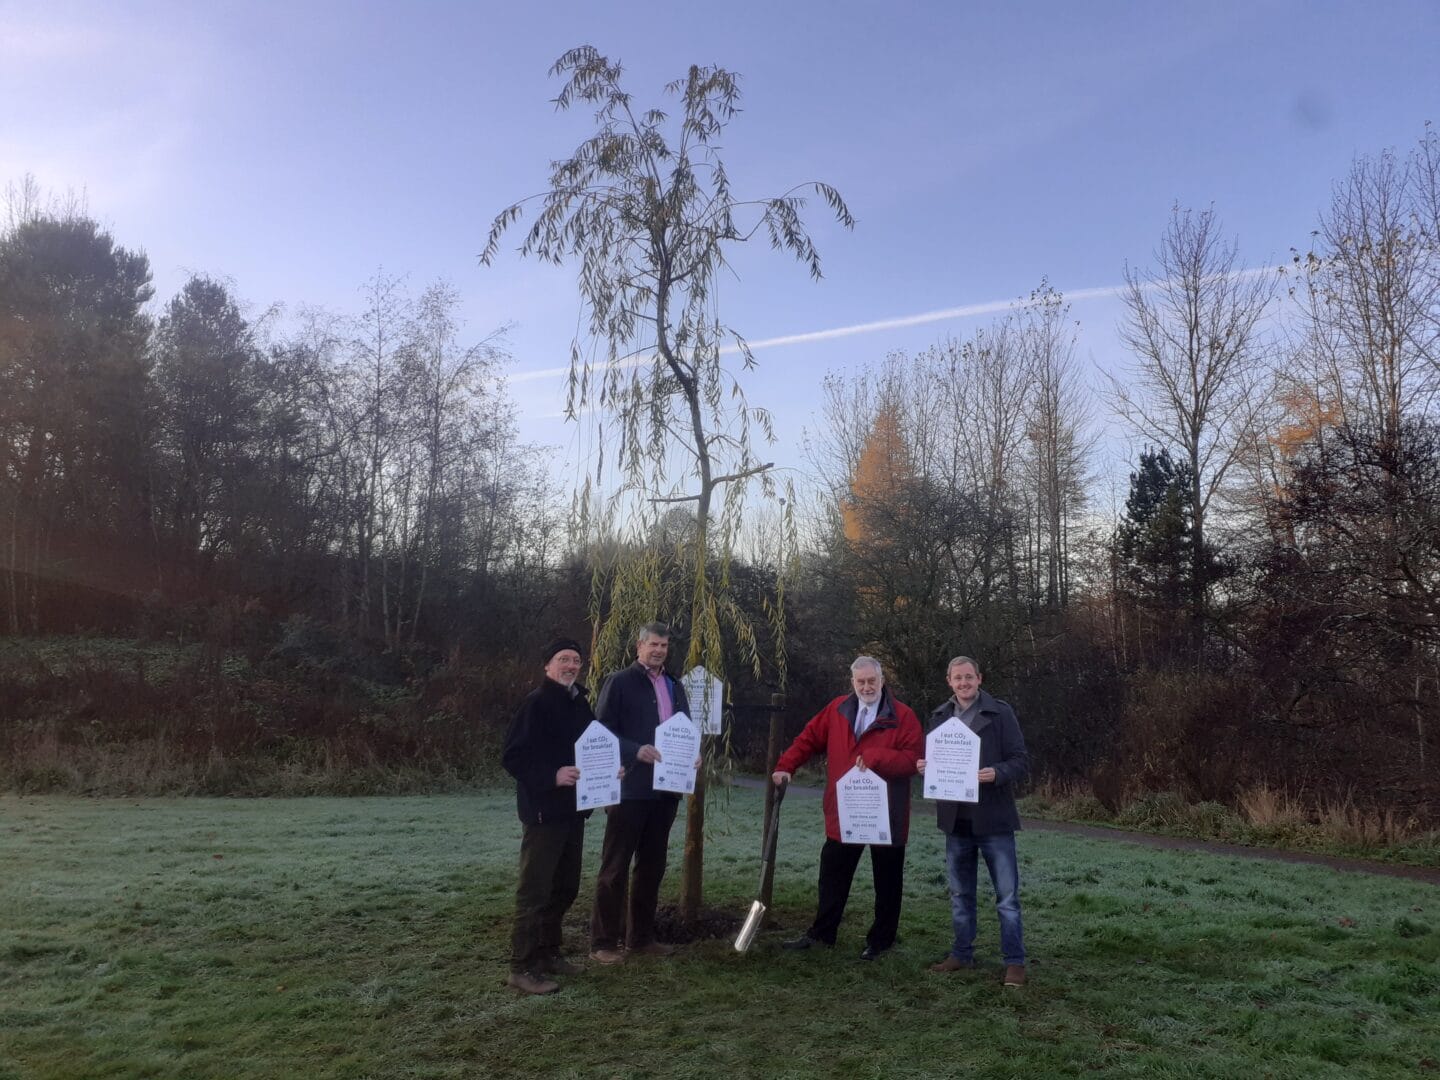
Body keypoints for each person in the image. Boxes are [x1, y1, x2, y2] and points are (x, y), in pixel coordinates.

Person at [771, 656, 922, 960]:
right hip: (845, 809)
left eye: (872, 681)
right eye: (860, 681)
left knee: (888, 880)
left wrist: (876, 756)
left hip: (887, 812)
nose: (867, 686)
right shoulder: (837, 709)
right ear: (852, 682)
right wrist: (786, 765)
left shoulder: (903, 716)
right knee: (833, 875)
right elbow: (808, 739)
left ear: (882, 681)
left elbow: (914, 761)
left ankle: (881, 941)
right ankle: (822, 934)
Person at [502, 637, 610, 995]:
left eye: (576, 660)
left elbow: (595, 746)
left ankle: (549, 952)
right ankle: (522, 966)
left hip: (573, 811)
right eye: (563, 659)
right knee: (535, 890)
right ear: (547, 665)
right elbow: (513, 757)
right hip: (544, 811)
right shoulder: (536, 704)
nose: (571, 665)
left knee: (565, 887)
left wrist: (609, 771)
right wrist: (552, 776)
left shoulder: (579, 702)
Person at [916, 655, 1030, 987]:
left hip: (993, 819)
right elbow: (935, 762)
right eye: (957, 678)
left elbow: (1021, 760)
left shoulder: (1000, 712)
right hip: (956, 821)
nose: (964, 683)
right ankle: (961, 954)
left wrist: (997, 773)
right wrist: (926, 768)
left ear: (979, 678)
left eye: (969, 677)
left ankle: (1015, 962)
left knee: (1007, 896)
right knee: (959, 893)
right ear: (949, 681)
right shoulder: (940, 717)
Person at [588, 622, 692, 964]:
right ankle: (603, 942)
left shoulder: (675, 685)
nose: (659, 650)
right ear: (639, 646)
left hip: (665, 791)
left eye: (664, 645)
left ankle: (641, 938)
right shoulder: (619, 682)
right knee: (615, 867)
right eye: (653, 645)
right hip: (630, 787)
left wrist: (694, 754)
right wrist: (635, 750)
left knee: (652, 866)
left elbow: (685, 728)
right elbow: (600, 730)